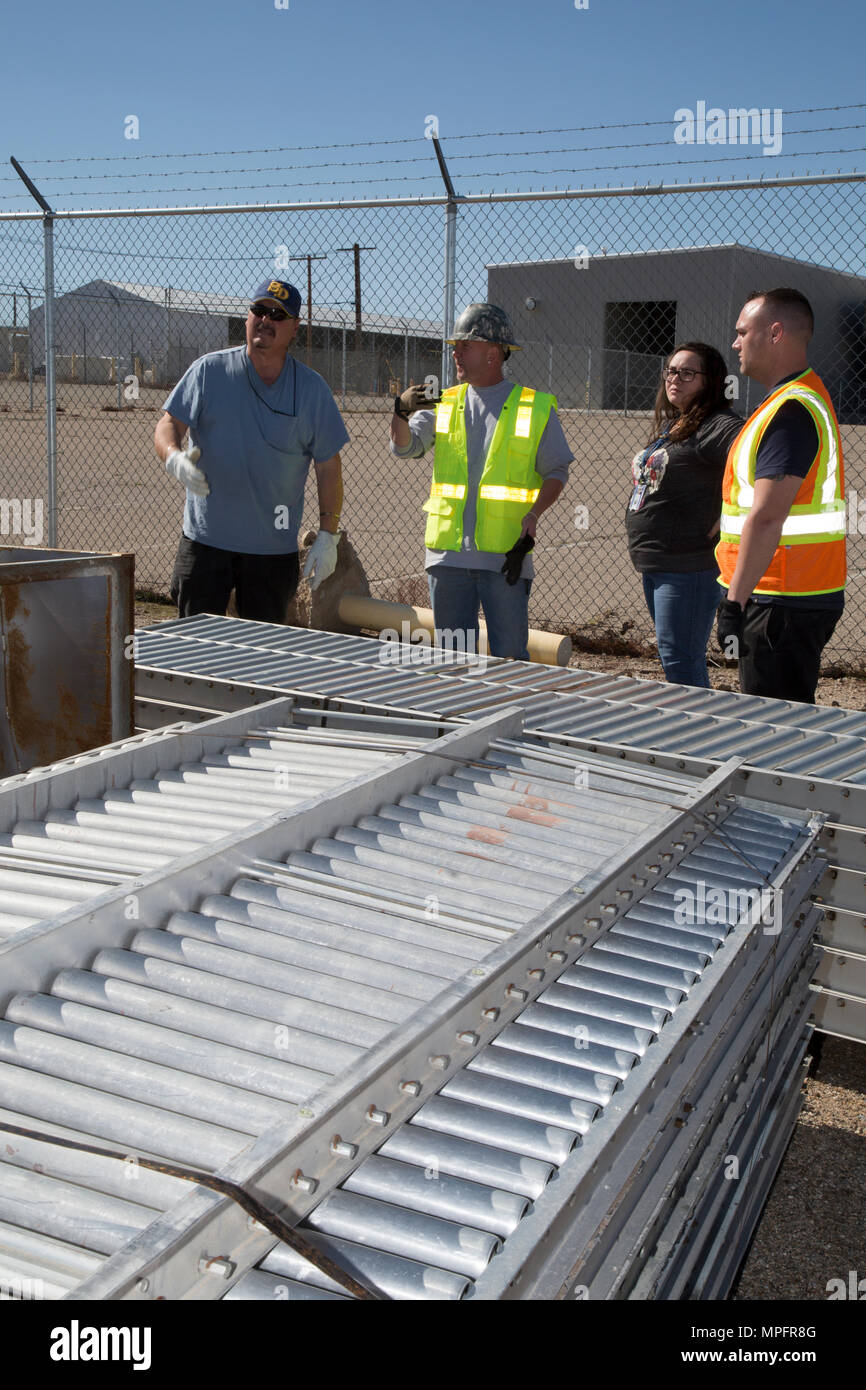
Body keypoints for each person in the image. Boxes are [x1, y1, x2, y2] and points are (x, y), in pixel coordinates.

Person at [154, 277, 349, 622]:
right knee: (191, 652)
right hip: (205, 544)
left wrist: (328, 535)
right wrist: (173, 456)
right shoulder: (209, 372)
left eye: (278, 315)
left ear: (295, 328)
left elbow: (328, 467)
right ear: (247, 318)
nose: (266, 320)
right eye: (259, 310)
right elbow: (168, 424)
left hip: (271, 552)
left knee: (262, 658)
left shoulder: (310, 390)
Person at [389, 303, 572, 661]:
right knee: (454, 656)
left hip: (504, 555)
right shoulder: (446, 402)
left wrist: (533, 516)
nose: (455, 353)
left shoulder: (533, 407)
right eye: (455, 346)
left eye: (464, 346)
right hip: (447, 556)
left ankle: (511, 716)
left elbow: (557, 471)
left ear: (492, 353)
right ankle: (460, 716)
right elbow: (405, 448)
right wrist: (399, 412)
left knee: (509, 657)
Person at [715, 288, 846, 703]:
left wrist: (733, 605)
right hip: (787, 594)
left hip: (780, 600)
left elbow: (768, 516)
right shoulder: (792, 400)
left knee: (776, 728)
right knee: (784, 718)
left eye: (741, 332)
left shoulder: (791, 411)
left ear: (774, 333)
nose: (735, 343)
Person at [625, 343, 742, 687]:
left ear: (710, 381)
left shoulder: (716, 423)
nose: (675, 378)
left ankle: (699, 735)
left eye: (688, 373)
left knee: (681, 661)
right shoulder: (680, 423)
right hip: (660, 564)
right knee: (674, 657)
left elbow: (757, 454)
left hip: (688, 567)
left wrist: (731, 514)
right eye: (671, 371)